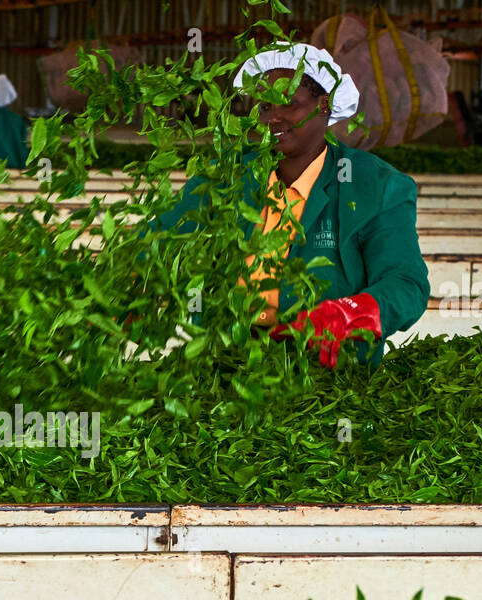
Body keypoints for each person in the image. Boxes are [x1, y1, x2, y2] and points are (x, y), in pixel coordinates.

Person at [148, 42, 429, 369]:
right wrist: (127, 288)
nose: (273, 118)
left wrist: (353, 312)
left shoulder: (374, 185)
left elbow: (406, 283)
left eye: (288, 104)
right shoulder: (225, 176)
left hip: (330, 376)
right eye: (264, 108)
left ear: (324, 105)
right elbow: (159, 240)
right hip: (226, 364)